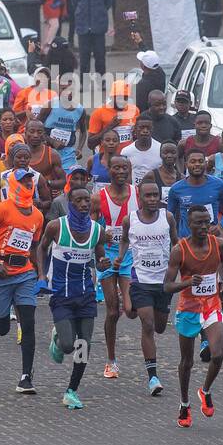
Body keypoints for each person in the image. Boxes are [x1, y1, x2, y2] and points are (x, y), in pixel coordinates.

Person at [38, 183, 109, 409]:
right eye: (78, 200)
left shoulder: (97, 231)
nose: (84, 204)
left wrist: (103, 263)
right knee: (69, 345)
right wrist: (41, 275)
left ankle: (71, 390)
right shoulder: (56, 227)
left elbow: (99, 258)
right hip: (61, 294)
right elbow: (41, 248)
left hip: (86, 294)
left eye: (87, 200)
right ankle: (58, 338)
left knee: (83, 344)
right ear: (70, 204)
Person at [0, 169, 46, 394]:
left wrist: (40, 273)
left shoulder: (37, 215)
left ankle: (26, 377)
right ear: (14, 183)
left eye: (30, 181)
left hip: (25, 273)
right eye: (23, 181)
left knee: (28, 323)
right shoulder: (2, 209)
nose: (28, 184)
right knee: (4, 328)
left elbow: (35, 246)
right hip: (1, 273)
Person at [164, 206, 223, 428]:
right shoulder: (179, 250)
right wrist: (187, 282)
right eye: (198, 223)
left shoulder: (217, 243)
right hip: (188, 307)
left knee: (217, 356)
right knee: (187, 362)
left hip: (211, 304)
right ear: (188, 225)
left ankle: (205, 390)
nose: (203, 227)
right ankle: (184, 403)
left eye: (206, 223)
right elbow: (167, 286)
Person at [117, 181, 178, 396]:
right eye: (148, 196)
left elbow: (175, 242)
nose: (152, 199)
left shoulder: (167, 218)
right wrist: (120, 257)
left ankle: (129, 304)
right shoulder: (130, 220)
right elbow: (124, 240)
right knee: (148, 324)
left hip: (163, 282)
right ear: (140, 198)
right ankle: (153, 376)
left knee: (160, 326)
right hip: (140, 280)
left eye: (155, 195)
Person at [92, 155, 134, 379]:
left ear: (130, 170)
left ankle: (123, 295)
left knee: (129, 309)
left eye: (124, 168)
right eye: (116, 167)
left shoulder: (137, 194)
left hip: (129, 256)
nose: (120, 171)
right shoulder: (98, 198)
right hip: (106, 257)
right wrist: (100, 233)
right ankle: (111, 360)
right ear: (109, 170)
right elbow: (88, 227)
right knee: (111, 310)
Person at [71, 0, 112, 77]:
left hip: (98, 26)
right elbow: (74, 2)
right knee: (84, 56)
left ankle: (102, 79)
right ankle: (84, 81)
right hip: (83, 26)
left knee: (100, 55)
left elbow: (108, 1)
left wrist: (100, 11)